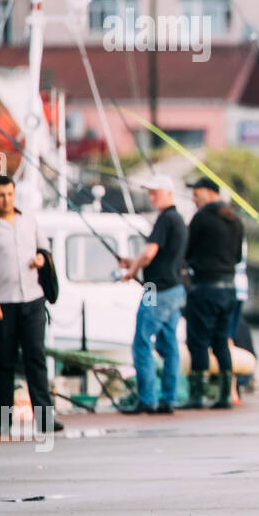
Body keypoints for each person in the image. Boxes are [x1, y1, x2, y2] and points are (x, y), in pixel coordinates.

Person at [0, 176, 58, 434]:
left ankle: (45, 418)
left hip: (32, 298)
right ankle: (3, 420)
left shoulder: (28, 220)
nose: (6, 199)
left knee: (36, 358)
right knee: (5, 362)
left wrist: (41, 259)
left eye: (10, 194)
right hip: (4, 302)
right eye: (1, 195)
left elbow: (44, 248)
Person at [118, 174, 187, 414]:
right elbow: (161, 257)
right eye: (150, 192)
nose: (151, 197)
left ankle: (147, 399)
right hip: (175, 289)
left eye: (155, 192)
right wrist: (132, 262)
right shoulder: (178, 220)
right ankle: (168, 399)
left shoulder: (165, 219)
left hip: (155, 289)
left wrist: (131, 271)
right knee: (169, 346)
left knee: (141, 342)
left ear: (168, 193)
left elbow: (149, 253)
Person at [182, 177, 244, 410]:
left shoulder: (201, 219)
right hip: (229, 290)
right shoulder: (235, 220)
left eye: (196, 195)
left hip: (204, 289)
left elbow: (187, 252)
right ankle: (225, 395)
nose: (193, 199)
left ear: (210, 193)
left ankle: (197, 396)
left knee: (197, 342)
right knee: (221, 342)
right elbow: (237, 257)